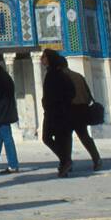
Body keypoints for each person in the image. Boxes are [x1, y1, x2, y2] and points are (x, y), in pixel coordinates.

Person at [40, 49, 75, 177]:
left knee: (47, 137)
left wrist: (51, 104)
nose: (41, 59)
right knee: (61, 139)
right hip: (62, 111)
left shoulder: (53, 74)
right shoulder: (61, 74)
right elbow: (72, 92)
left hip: (54, 112)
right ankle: (64, 164)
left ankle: (66, 161)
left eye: (43, 57)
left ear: (49, 59)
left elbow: (52, 94)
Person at [66, 64, 103, 171]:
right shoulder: (78, 76)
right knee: (84, 136)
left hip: (69, 109)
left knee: (66, 138)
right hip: (82, 109)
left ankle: (67, 162)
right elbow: (88, 94)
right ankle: (96, 158)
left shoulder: (62, 77)